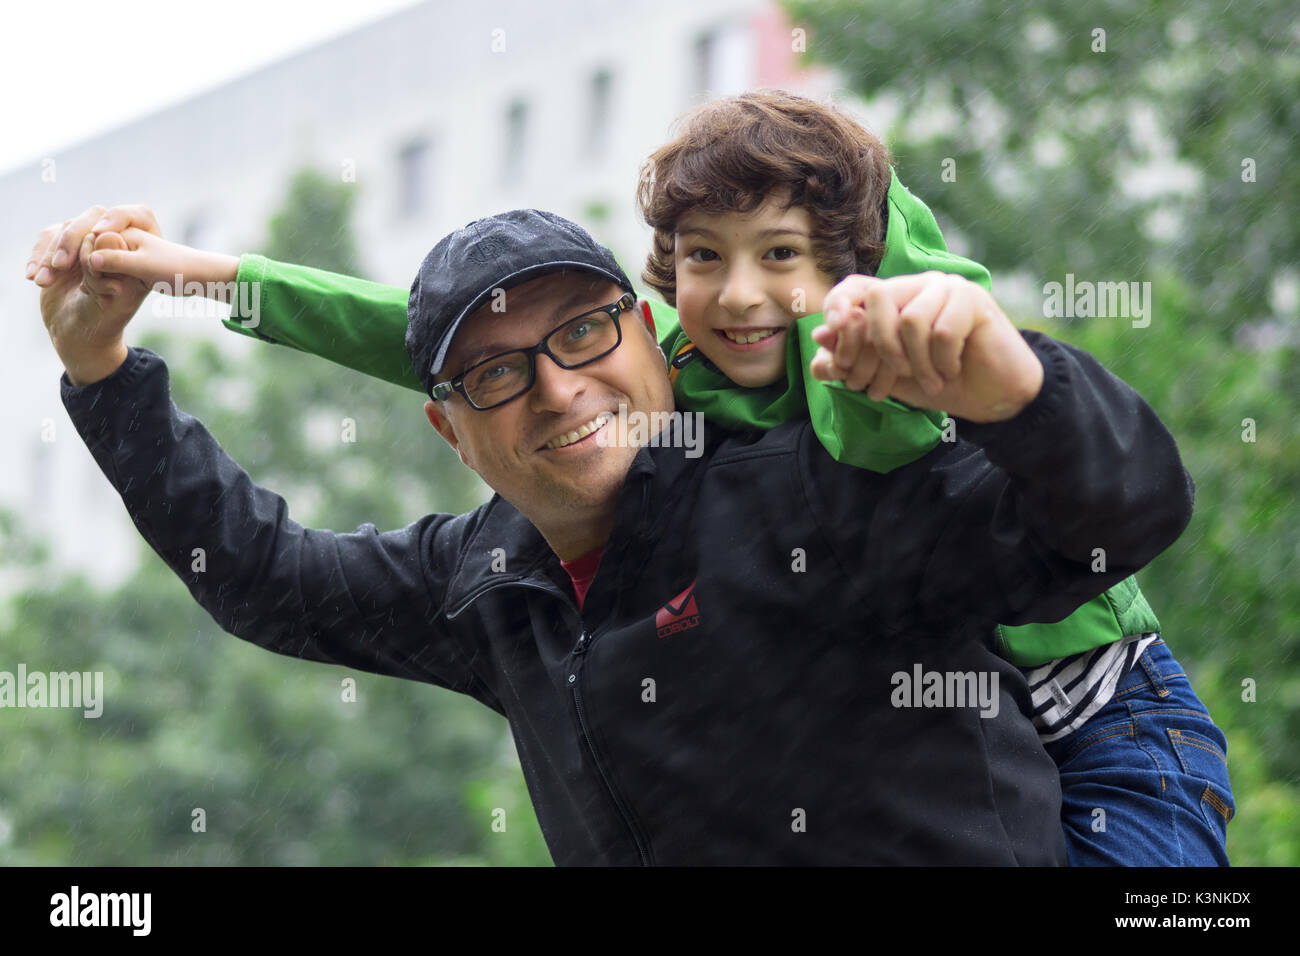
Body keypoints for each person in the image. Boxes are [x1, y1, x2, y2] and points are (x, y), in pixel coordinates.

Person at [30, 91, 1232, 864]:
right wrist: (106, 369)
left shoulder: (817, 486)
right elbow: (259, 573)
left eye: (582, 332)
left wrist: (1019, 387)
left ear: (645, 339)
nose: (557, 386)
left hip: (1119, 718)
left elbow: (1111, 515)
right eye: (495, 373)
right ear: (448, 429)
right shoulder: (488, 582)